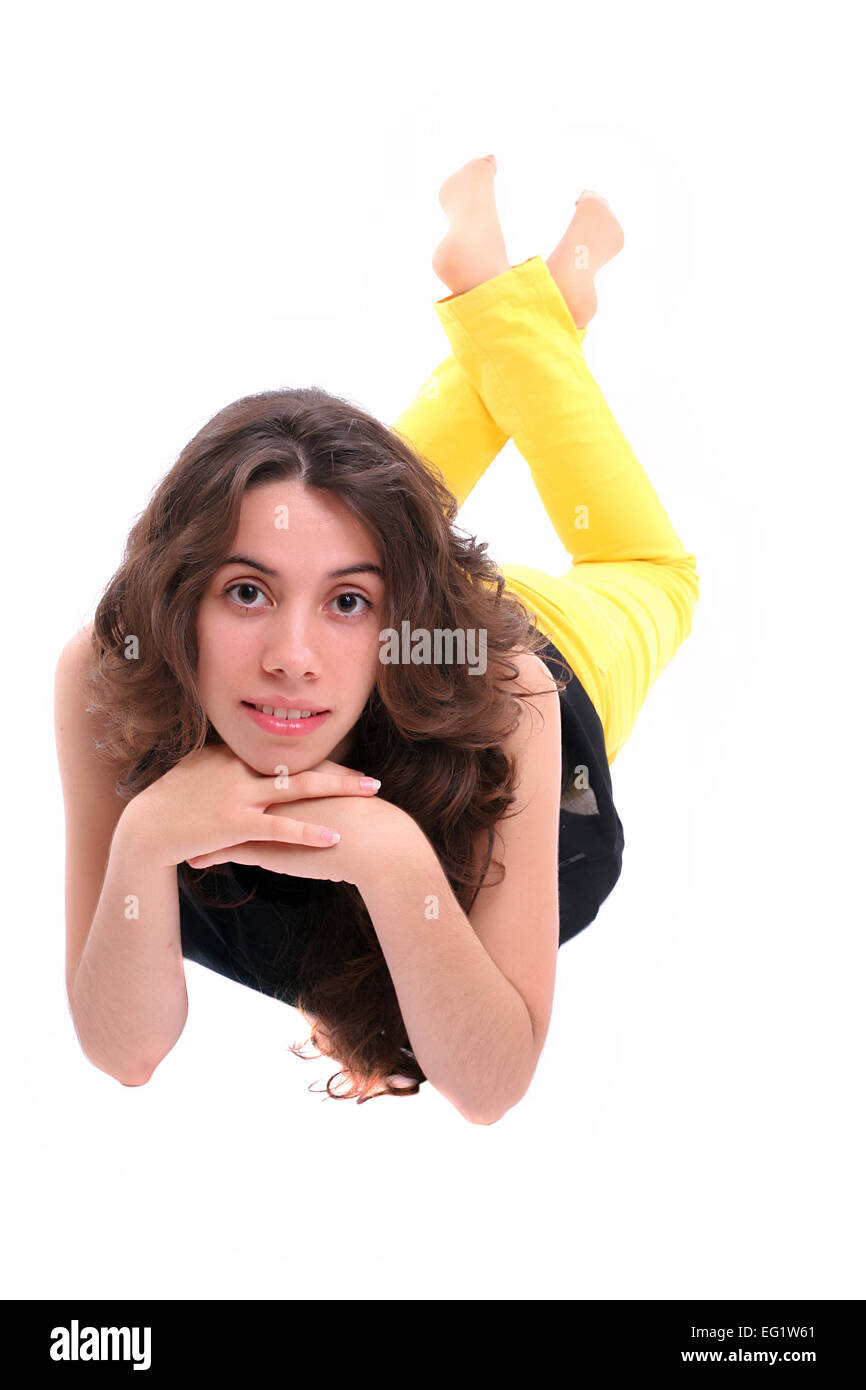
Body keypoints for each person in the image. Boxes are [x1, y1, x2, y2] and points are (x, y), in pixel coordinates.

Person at [55, 155, 699, 1119]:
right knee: (334, 512)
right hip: (397, 601)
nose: (291, 655)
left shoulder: (511, 693)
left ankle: (526, 307)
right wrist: (143, 840)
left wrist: (395, 859)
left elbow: (489, 1091)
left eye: (348, 605)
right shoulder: (111, 674)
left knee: (656, 575)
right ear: (175, 598)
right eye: (241, 594)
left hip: (509, 649)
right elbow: (125, 1053)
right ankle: (522, 309)